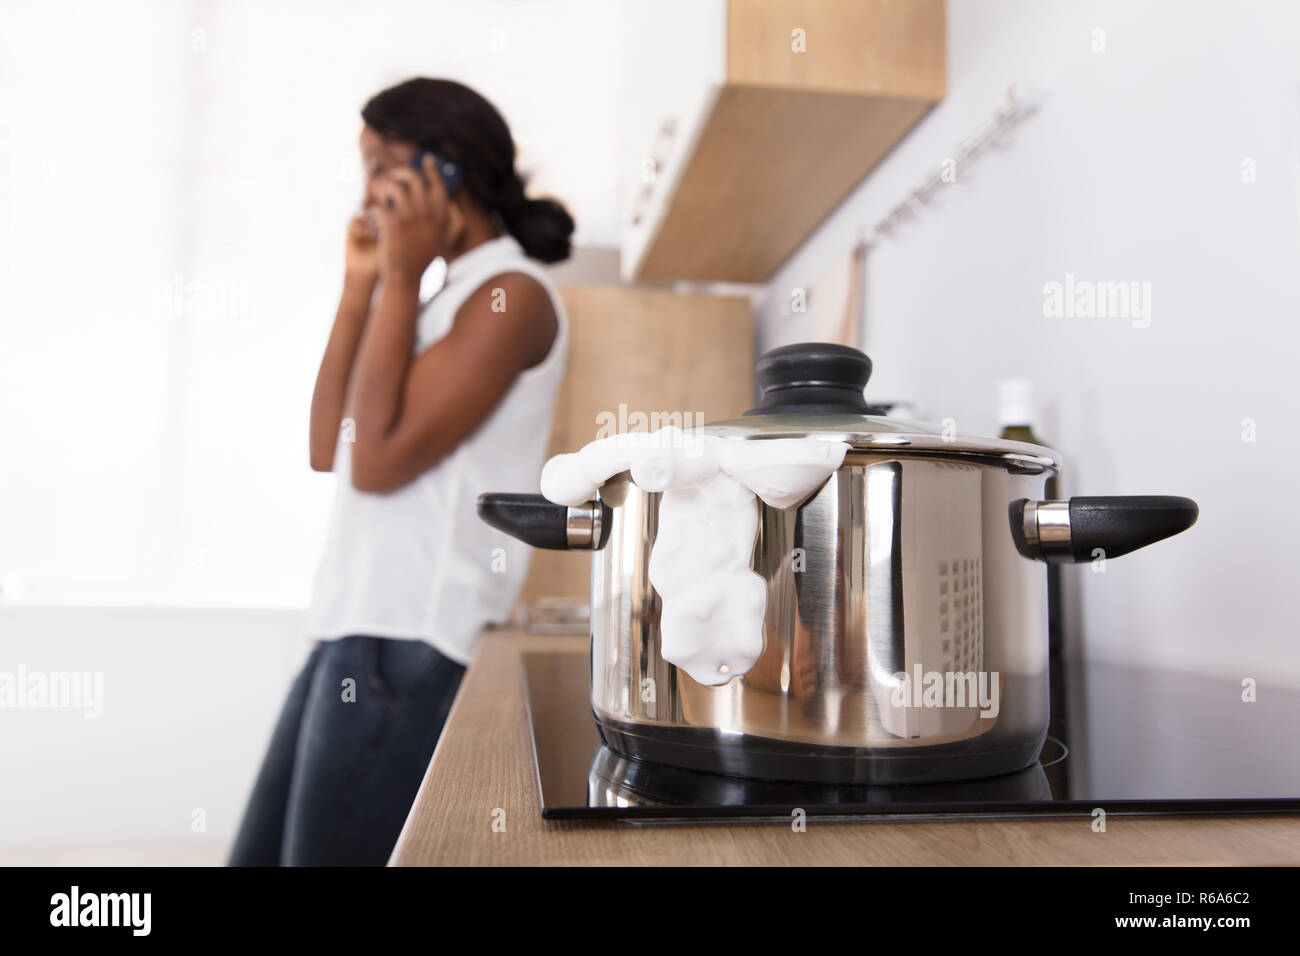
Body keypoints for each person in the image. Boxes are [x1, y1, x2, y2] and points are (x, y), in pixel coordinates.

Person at [228, 77, 573, 866]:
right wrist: (362, 288)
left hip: (408, 639)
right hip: (351, 630)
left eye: (381, 164)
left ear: (446, 168)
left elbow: (377, 465)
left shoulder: (511, 296)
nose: (368, 191)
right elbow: (331, 449)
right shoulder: (436, 300)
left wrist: (395, 280)